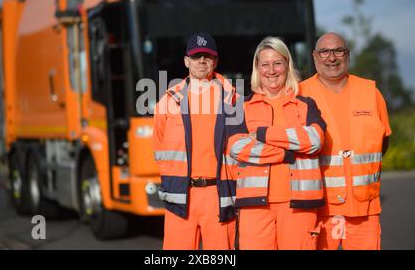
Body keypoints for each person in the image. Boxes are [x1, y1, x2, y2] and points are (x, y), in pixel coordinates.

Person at [227, 36, 327, 249]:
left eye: (277, 63)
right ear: (257, 67)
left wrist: (262, 134)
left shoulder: (306, 105)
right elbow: (237, 147)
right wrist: (287, 152)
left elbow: (315, 140)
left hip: (300, 207)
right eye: (265, 64)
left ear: (287, 65)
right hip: (254, 208)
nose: (271, 70)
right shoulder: (240, 107)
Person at [300, 32, 392, 250]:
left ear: (347, 54)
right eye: (325, 51)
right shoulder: (300, 93)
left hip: (364, 210)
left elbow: (383, 142)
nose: (332, 58)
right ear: (315, 56)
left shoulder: (370, 92)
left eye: (338, 50)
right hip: (318, 209)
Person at [153, 32, 237, 250]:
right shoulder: (169, 100)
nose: (202, 61)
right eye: (196, 56)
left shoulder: (233, 99)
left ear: (215, 61)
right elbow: (159, 147)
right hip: (181, 195)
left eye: (207, 56)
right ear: (186, 60)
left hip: (218, 194)